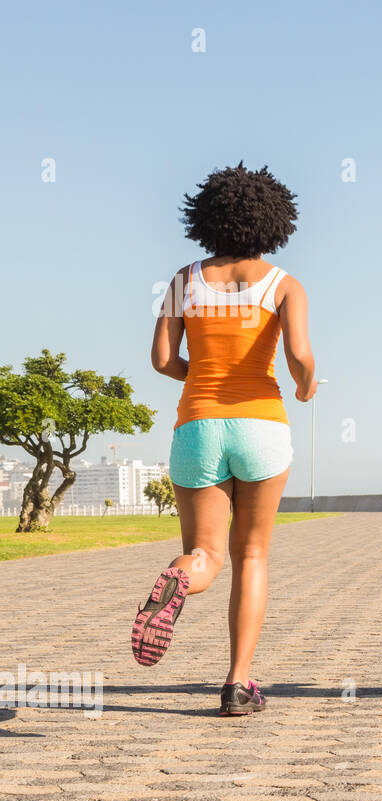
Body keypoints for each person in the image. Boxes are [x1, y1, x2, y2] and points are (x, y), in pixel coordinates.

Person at [134, 162, 318, 716]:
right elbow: (300, 358)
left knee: (206, 554)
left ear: (206, 217)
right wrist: (306, 389)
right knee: (253, 554)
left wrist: (197, 373)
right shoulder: (284, 284)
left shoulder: (181, 281)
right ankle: (239, 684)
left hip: (197, 425)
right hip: (261, 422)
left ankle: (180, 576)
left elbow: (162, 359)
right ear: (274, 222)